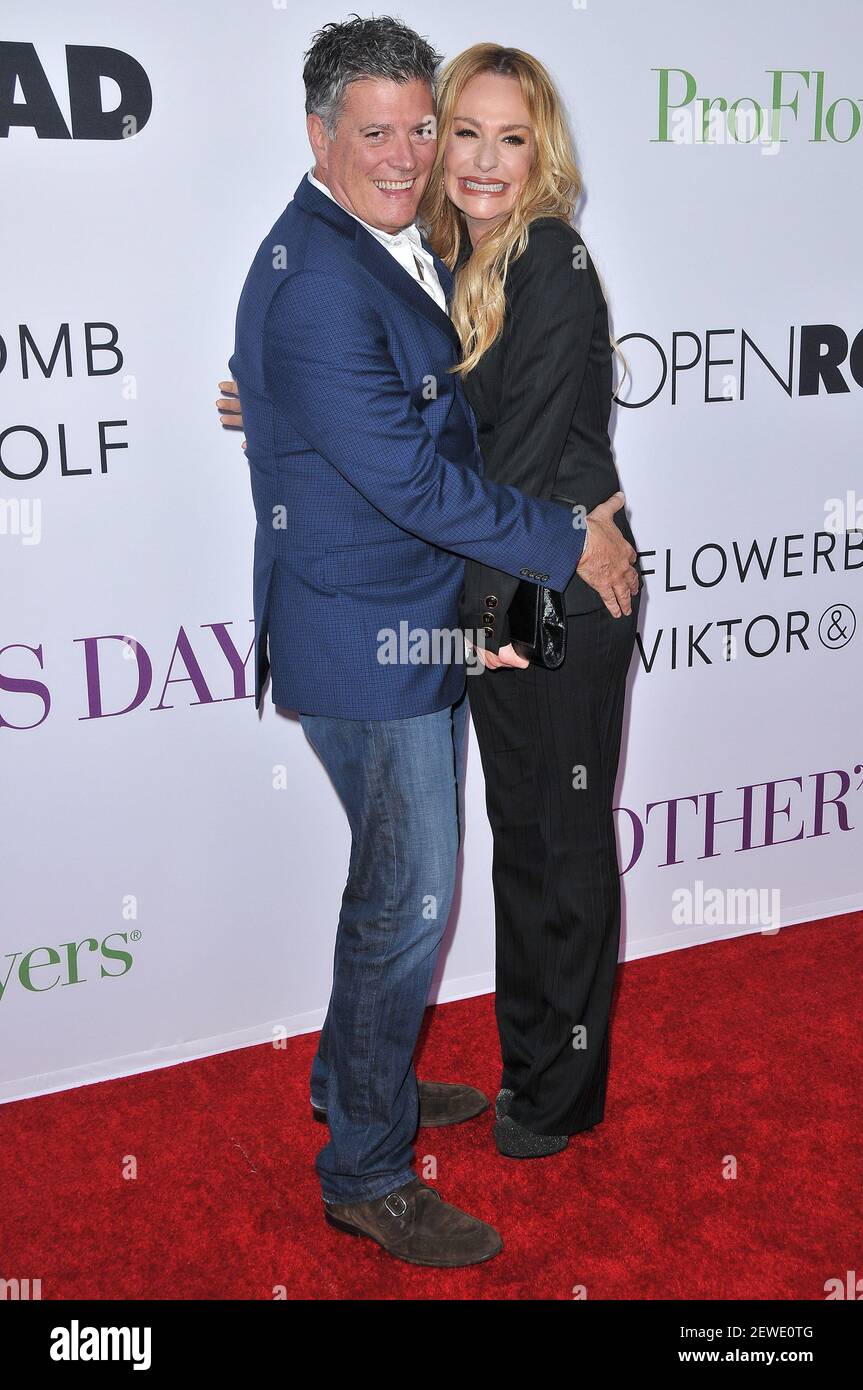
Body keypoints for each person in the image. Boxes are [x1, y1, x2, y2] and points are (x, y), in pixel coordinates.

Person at [222, 17, 638, 1266]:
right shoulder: (338, 265)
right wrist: (563, 543)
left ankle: (369, 1092)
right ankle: (363, 1161)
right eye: (394, 130)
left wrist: (283, 388)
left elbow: (431, 410)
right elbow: (420, 470)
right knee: (406, 901)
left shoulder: (403, 247)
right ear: (318, 135)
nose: (414, 155)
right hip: (380, 633)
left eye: (431, 127)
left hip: (432, 618)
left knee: (409, 885)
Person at [427, 45, 641, 1157]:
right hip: (511, 574)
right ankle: (527, 1061)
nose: (484, 159)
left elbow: (510, 462)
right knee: (522, 835)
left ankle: (560, 1092)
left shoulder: (548, 258)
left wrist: (491, 619)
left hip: (552, 587)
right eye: (466, 131)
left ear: (540, 150)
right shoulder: (454, 255)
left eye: (511, 138)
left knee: (557, 839)